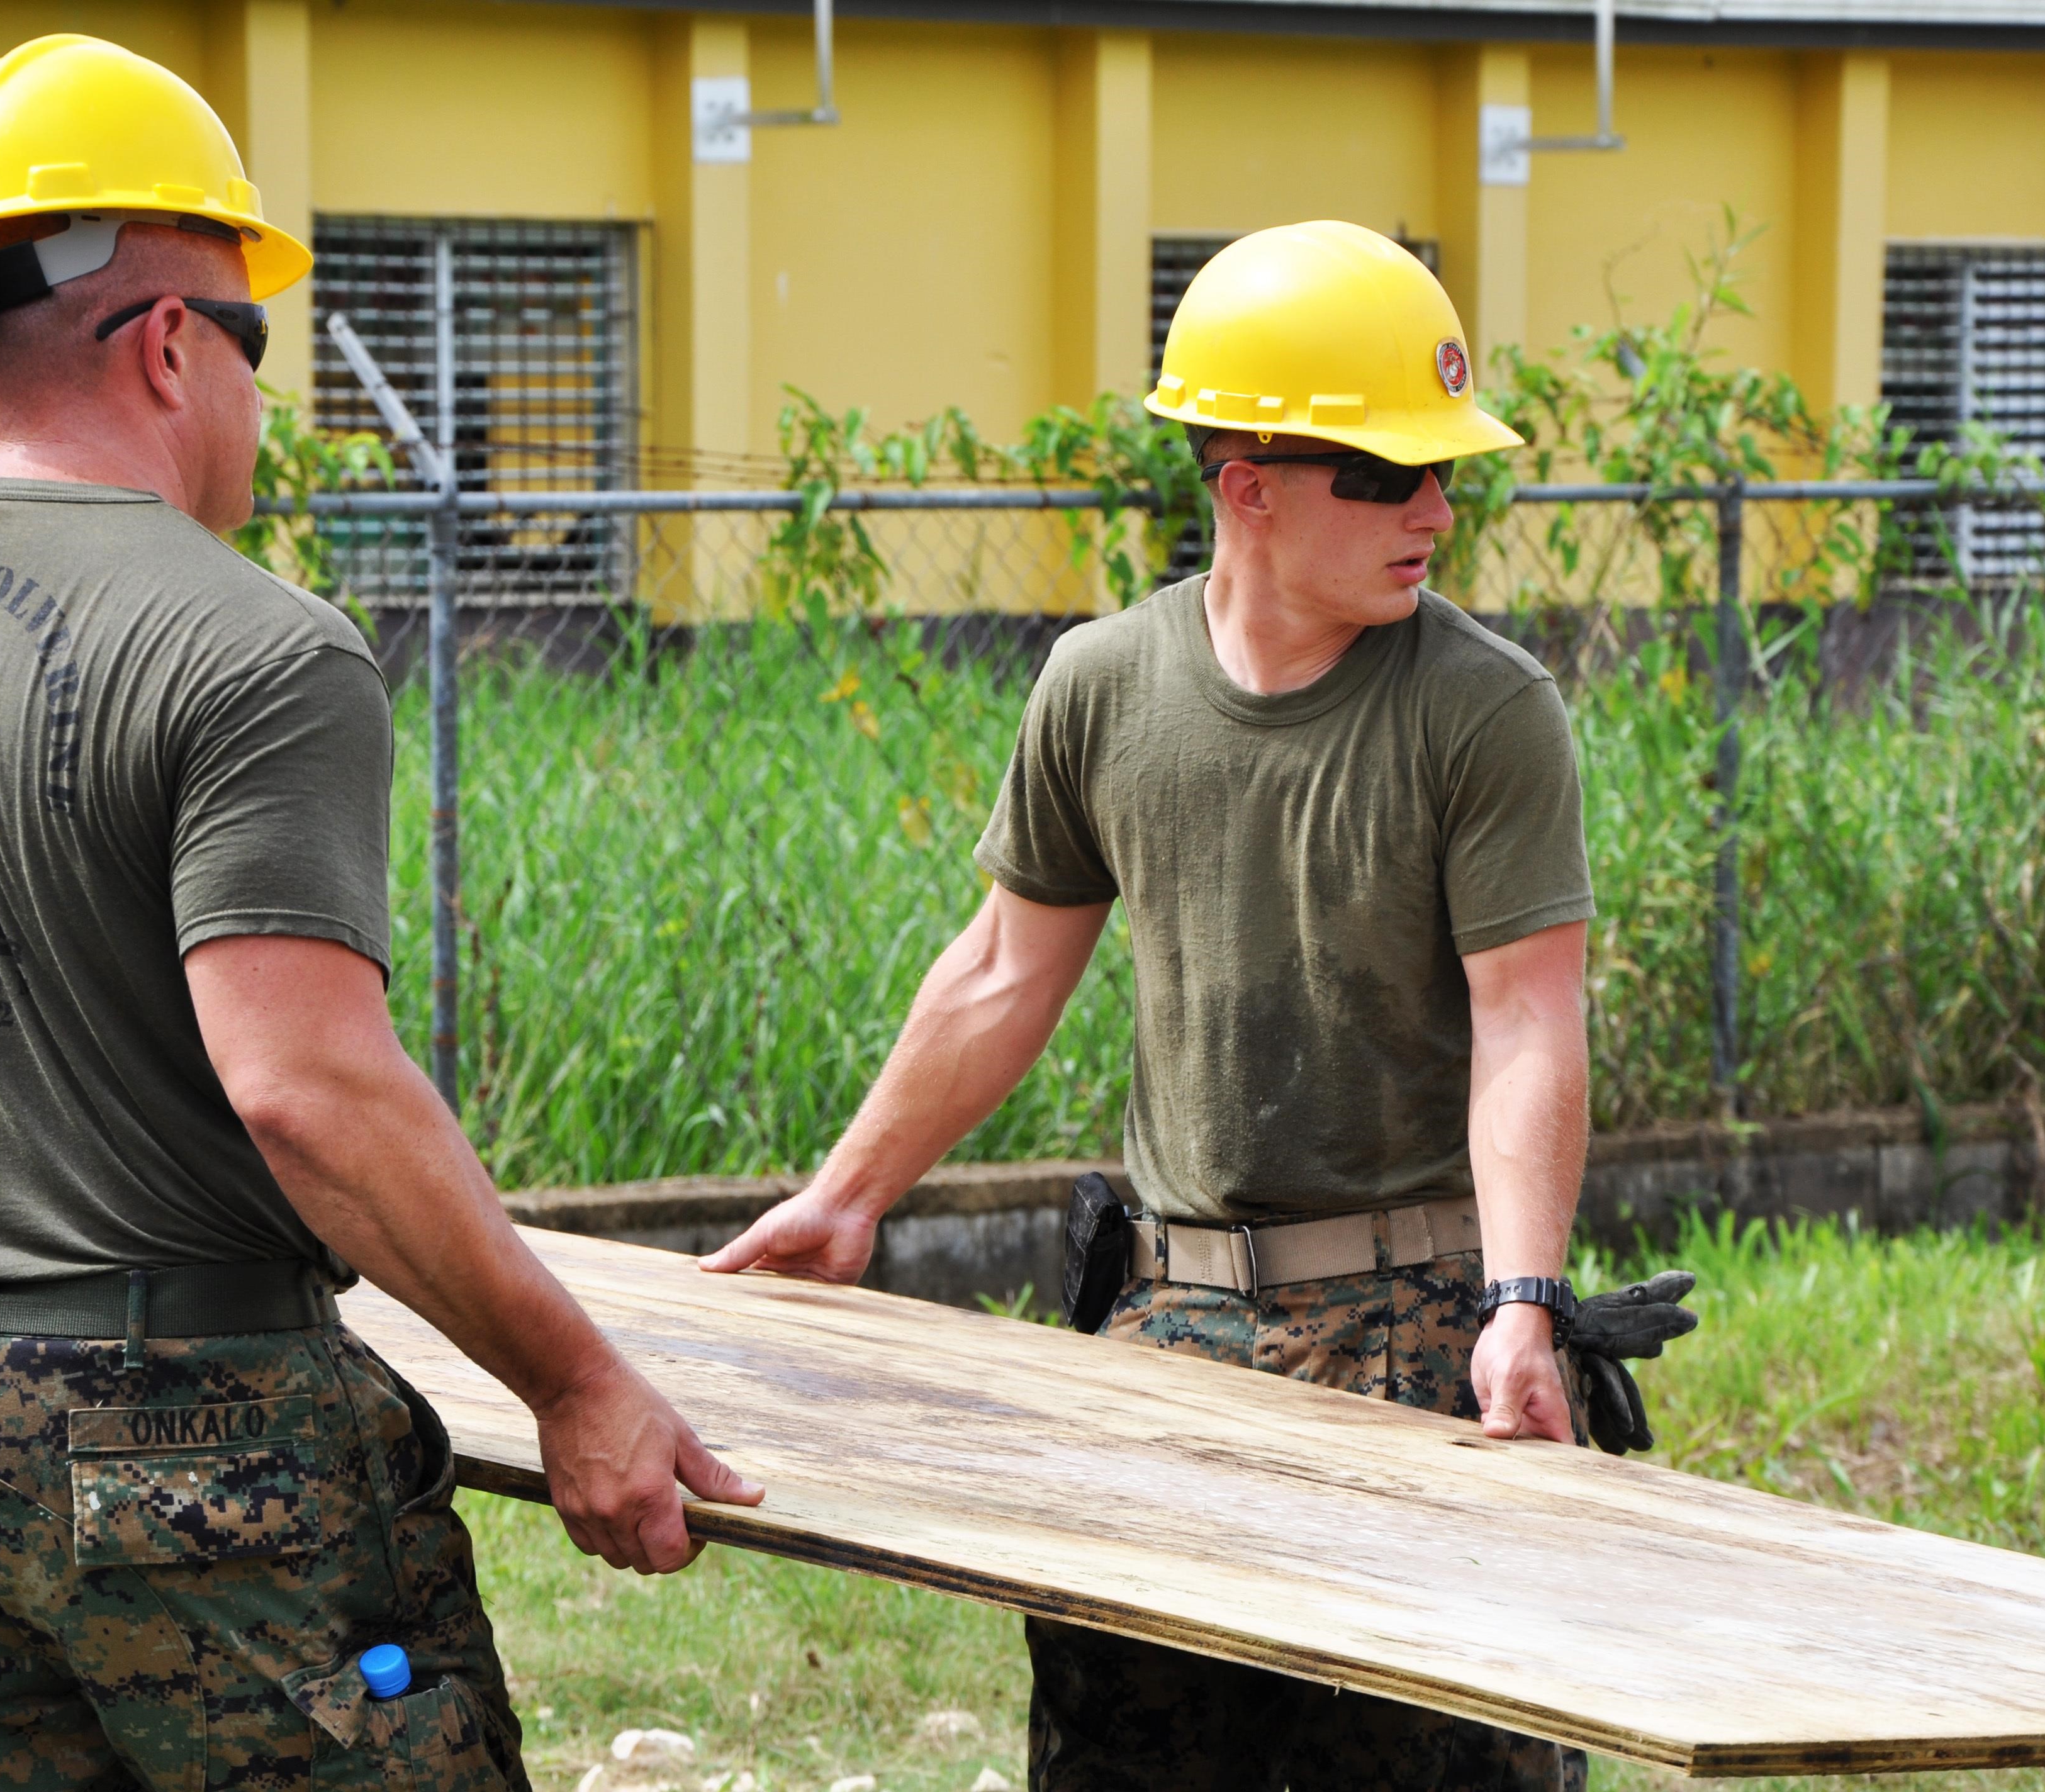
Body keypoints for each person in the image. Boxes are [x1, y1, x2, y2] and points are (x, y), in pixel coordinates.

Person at [0, 35, 756, 1790]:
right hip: (193, 1455)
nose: (261, 405)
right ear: (166, 343)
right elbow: (307, 1092)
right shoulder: (258, 650)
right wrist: (578, 1385)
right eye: (254, 345)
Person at [699, 220, 1689, 1791]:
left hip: (1420, 1326)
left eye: (1444, 471)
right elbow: (1003, 965)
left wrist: (1521, 1302)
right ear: (1247, 486)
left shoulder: (1484, 708)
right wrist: (846, 1195)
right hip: (1166, 1328)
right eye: (1386, 473)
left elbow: (1526, 1018)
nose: (1434, 511)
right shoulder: (1100, 683)